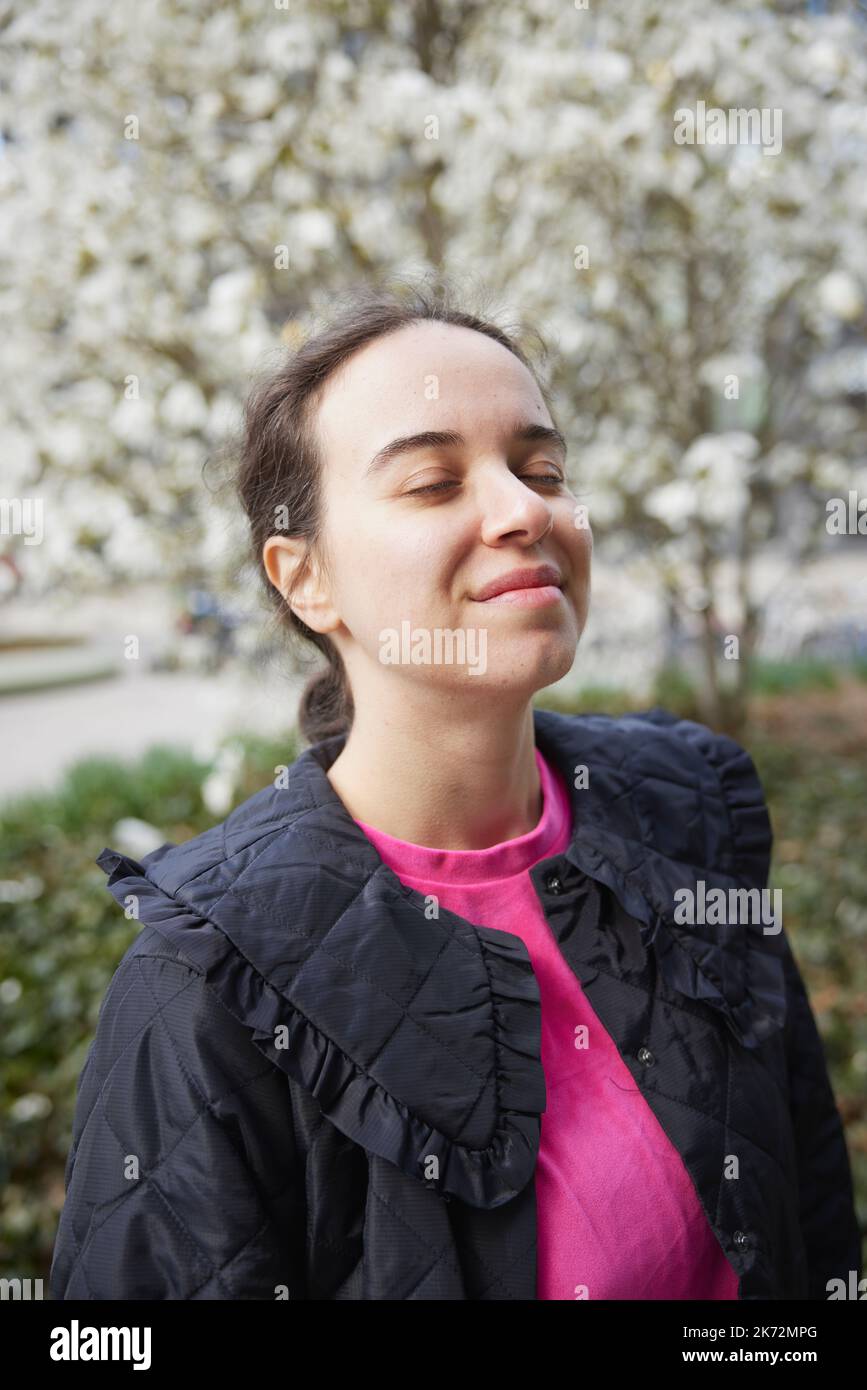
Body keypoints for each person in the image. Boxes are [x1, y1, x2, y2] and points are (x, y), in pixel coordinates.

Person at [50, 278, 861, 1300]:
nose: (525, 509)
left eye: (543, 467)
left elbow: (813, 1224)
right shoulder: (213, 987)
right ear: (305, 578)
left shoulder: (689, 812)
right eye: (434, 483)